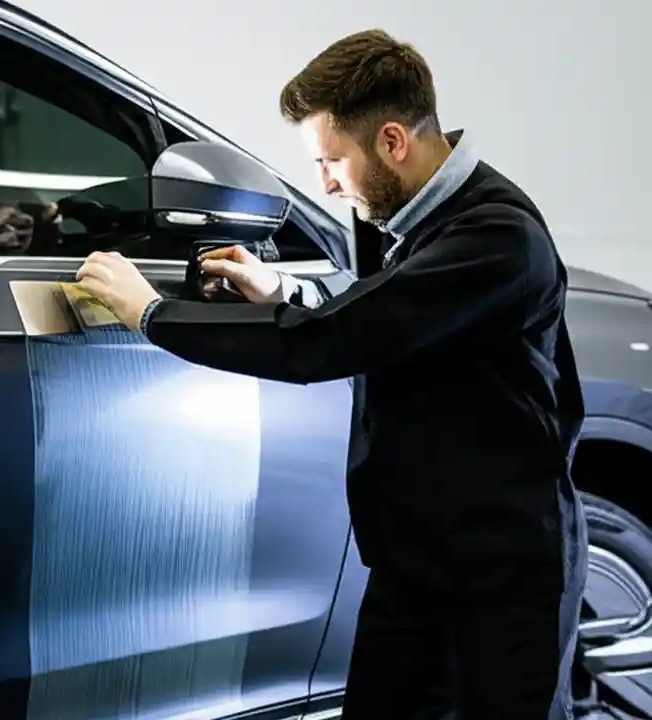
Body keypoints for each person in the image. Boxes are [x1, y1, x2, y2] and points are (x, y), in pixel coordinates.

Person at [75, 29, 587, 719]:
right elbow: (383, 313)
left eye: (331, 160)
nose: (324, 183)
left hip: (498, 571)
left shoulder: (497, 236)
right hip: (419, 558)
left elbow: (337, 341)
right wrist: (280, 290)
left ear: (393, 142)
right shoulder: (409, 216)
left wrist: (152, 313)